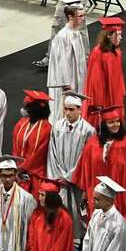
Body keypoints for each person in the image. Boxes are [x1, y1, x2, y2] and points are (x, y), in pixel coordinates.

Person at [48, 93, 96, 235]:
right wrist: (58, 176)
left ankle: (78, 246)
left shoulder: (88, 130)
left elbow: (86, 158)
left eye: (71, 109)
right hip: (60, 181)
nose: (67, 113)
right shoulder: (57, 127)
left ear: (80, 109)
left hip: (77, 182)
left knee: (78, 217)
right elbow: (52, 153)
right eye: (65, 109)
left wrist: (70, 177)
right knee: (61, 217)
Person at [46, 0, 88, 122]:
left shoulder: (77, 33)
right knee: (62, 111)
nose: (83, 19)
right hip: (66, 84)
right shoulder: (62, 37)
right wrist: (66, 84)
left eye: (83, 15)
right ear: (70, 16)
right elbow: (60, 63)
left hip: (77, 79)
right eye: (80, 16)